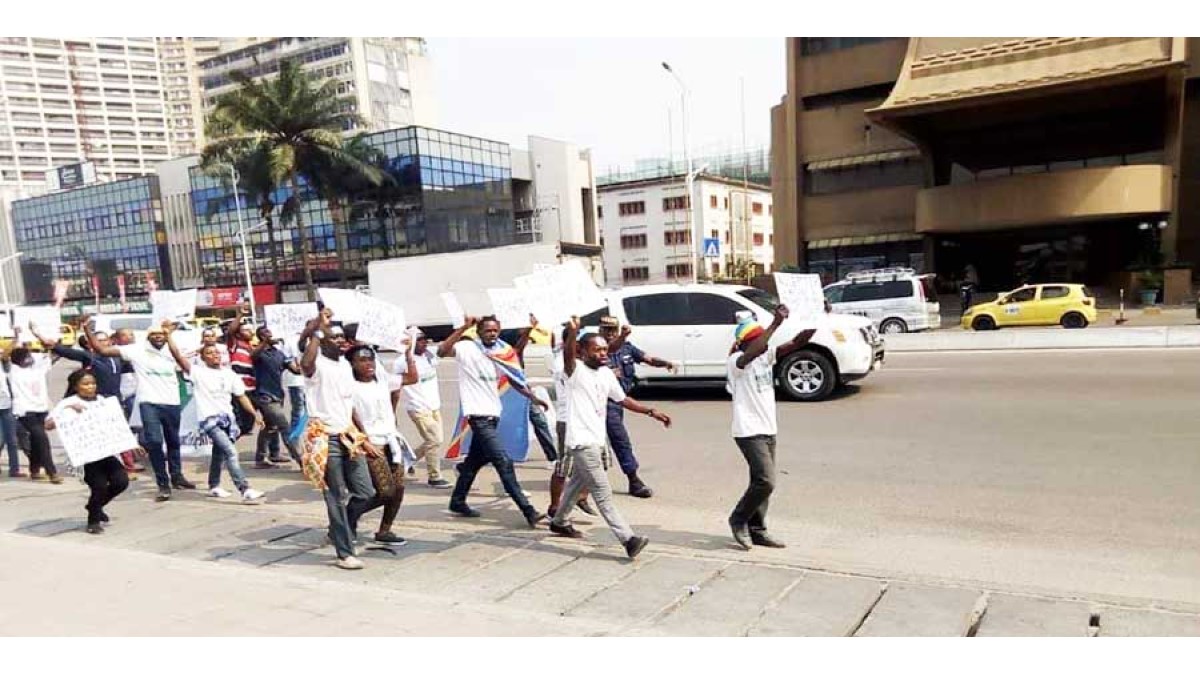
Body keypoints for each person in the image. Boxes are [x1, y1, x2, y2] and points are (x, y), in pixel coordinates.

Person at [549, 317, 670, 559]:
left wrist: (650, 411)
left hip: (597, 438)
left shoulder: (605, 373)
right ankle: (628, 539)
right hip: (581, 442)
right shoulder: (574, 371)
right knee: (602, 492)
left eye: (605, 349)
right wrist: (572, 332)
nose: (604, 353)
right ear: (583, 352)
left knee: (578, 482)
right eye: (598, 349)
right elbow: (568, 358)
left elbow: (622, 399)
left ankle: (559, 520)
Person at [437, 315, 547, 527]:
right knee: (503, 461)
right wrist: (463, 327)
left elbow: (513, 377)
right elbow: (442, 351)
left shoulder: (501, 350)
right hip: (478, 417)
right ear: (479, 332)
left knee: (473, 463)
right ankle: (529, 511)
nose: (492, 334)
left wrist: (531, 396)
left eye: (495, 330)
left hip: (493, 414)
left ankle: (457, 502)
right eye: (487, 330)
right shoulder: (467, 348)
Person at [726, 305, 814, 551]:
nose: (765, 344)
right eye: (759, 339)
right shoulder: (736, 361)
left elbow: (798, 342)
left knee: (761, 482)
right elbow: (751, 352)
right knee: (766, 481)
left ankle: (757, 529)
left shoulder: (765, 356)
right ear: (746, 343)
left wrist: (815, 317)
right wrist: (775, 325)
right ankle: (738, 519)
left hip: (767, 428)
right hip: (748, 431)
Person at [298, 312, 375, 571]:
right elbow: (305, 364)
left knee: (366, 492)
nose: (342, 341)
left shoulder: (344, 365)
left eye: (343, 337)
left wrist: (363, 437)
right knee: (337, 495)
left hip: (348, 436)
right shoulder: (316, 363)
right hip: (324, 438)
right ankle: (345, 552)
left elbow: (349, 404)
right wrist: (317, 332)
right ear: (324, 340)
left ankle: (337, 527)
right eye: (336, 337)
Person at [88, 320, 196, 501]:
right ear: (148, 336)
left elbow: (185, 363)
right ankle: (163, 484)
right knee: (154, 442)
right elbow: (103, 351)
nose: (158, 338)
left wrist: (171, 336)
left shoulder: (172, 349)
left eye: (161, 335)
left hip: (172, 403)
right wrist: (86, 330)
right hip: (149, 403)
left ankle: (177, 476)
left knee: (173, 442)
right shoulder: (137, 350)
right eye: (154, 335)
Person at [163, 322, 267, 503]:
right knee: (231, 452)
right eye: (209, 354)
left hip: (227, 419)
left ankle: (214, 485)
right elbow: (179, 357)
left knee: (219, 453)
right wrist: (168, 336)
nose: (214, 356)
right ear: (203, 358)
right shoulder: (198, 372)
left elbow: (241, 396)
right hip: (209, 420)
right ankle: (245, 489)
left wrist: (254, 414)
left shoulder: (229, 374)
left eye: (216, 353)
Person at [36, 319, 140, 479]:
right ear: (92, 344)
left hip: (115, 403)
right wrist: (45, 339)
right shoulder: (90, 357)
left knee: (118, 434)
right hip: (96, 404)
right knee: (99, 437)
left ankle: (126, 466)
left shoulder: (118, 358)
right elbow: (64, 351)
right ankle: (100, 468)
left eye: (105, 340)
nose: (103, 343)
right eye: (99, 341)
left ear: (111, 341)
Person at [45, 370, 141, 534]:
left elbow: (116, 425)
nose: (90, 387)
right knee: (99, 486)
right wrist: (68, 409)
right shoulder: (68, 402)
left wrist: (131, 443)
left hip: (105, 451)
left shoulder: (103, 401)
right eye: (85, 384)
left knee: (121, 482)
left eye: (93, 383)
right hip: (86, 455)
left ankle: (94, 506)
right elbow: (48, 424)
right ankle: (93, 520)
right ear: (76, 386)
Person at [598, 316, 677, 498]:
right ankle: (633, 480)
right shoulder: (597, 349)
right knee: (615, 441)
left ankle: (588, 484)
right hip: (603, 403)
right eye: (606, 330)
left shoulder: (627, 347)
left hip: (620, 400)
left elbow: (647, 358)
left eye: (612, 330)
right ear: (600, 330)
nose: (609, 333)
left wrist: (665, 363)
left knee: (614, 442)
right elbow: (609, 350)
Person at [348, 343, 409, 546]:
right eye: (362, 360)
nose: (368, 364)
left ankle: (385, 530)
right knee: (384, 491)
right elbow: (351, 416)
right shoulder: (350, 387)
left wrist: (409, 353)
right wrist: (364, 440)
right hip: (371, 443)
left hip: (391, 440)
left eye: (370, 359)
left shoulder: (382, 380)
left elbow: (411, 379)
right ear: (353, 364)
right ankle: (346, 519)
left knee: (398, 488)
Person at [393, 327, 451, 489]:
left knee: (431, 441)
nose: (424, 342)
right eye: (419, 339)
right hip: (418, 408)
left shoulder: (429, 355)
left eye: (425, 339)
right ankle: (434, 476)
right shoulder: (401, 362)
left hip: (434, 407)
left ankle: (407, 460)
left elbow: (445, 348)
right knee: (435, 440)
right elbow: (396, 388)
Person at [8, 329, 61, 483]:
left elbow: (55, 354)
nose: (29, 359)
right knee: (42, 439)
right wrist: (15, 338)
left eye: (29, 356)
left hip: (41, 410)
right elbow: (7, 356)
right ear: (18, 360)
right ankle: (52, 473)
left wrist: (41, 335)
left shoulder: (38, 369)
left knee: (38, 441)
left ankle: (34, 469)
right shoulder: (14, 371)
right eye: (26, 357)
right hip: (25, 412)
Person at [251, 326, 302, 468]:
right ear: (260, 337)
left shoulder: (279, 353)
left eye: (269, 332)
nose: (269, 335)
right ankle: (302, 462)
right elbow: (253, 356)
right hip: (265, 397)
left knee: (269, 427)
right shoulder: (259, 353)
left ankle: (261, 459)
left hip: (278, 396)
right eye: (265, 334)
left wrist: (301, 365)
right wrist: (263, 343)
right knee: (285, 427)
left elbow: (295, 370)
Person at [510, 316, 557, 464]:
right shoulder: (507, 353)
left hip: (524, 394)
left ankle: (553, 457)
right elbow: (519, 347)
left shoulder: (517, 355)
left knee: (540, 422)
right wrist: (529, 330)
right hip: (508, 394)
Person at [0, 349, 24, 478]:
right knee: (0, 439)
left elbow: (6, 357)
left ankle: (14, 469)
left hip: (7, 406)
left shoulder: (5, 367)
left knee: (12, 440)